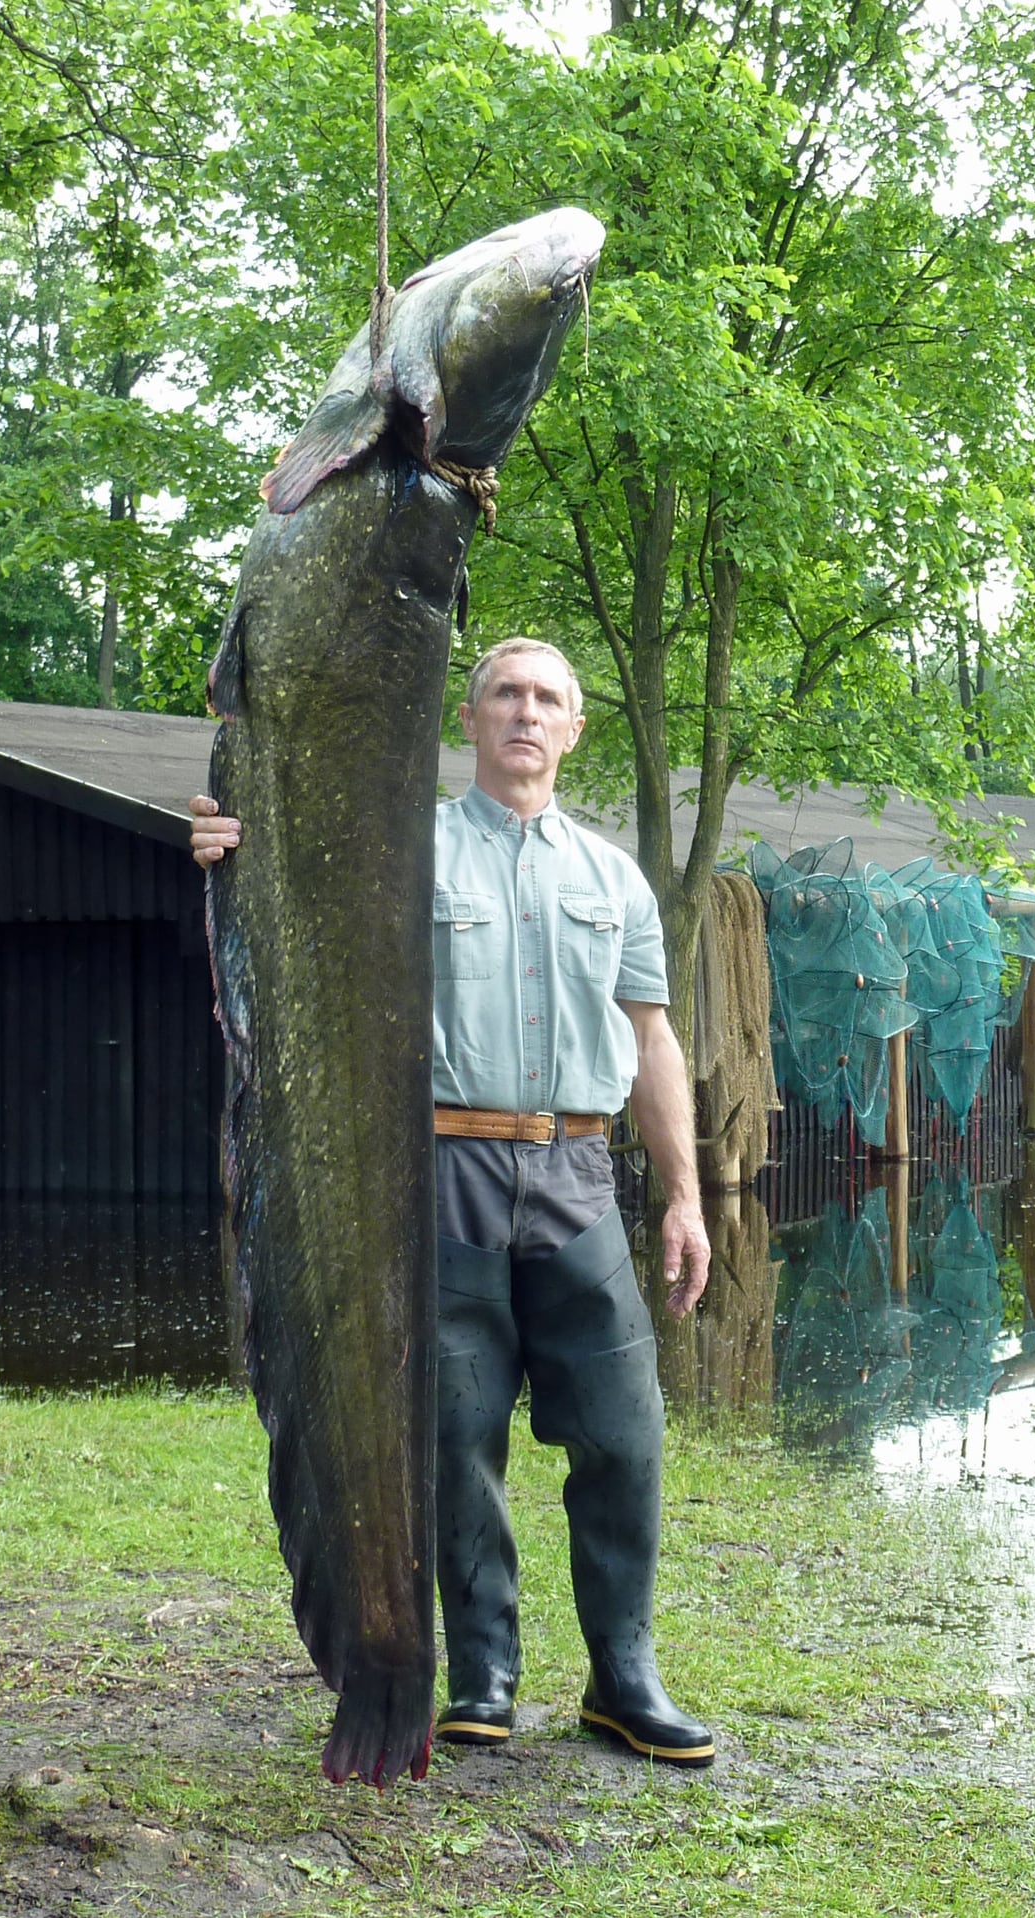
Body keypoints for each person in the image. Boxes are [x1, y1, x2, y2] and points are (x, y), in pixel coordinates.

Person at [190, 637, 715, 1766]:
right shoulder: (398, 854)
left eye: (547, 700)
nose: (525, 714)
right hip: (440, 1174)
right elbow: (289, 902)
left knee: (624, 1437)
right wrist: (232, 844)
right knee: (455, 1436)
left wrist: (684, 1197)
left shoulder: (613, 877)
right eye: (504, 696)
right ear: (469, 723)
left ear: (575, 729)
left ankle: (623, 1675)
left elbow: (651, 1039)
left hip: (579, 1176)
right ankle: (482, 1673)